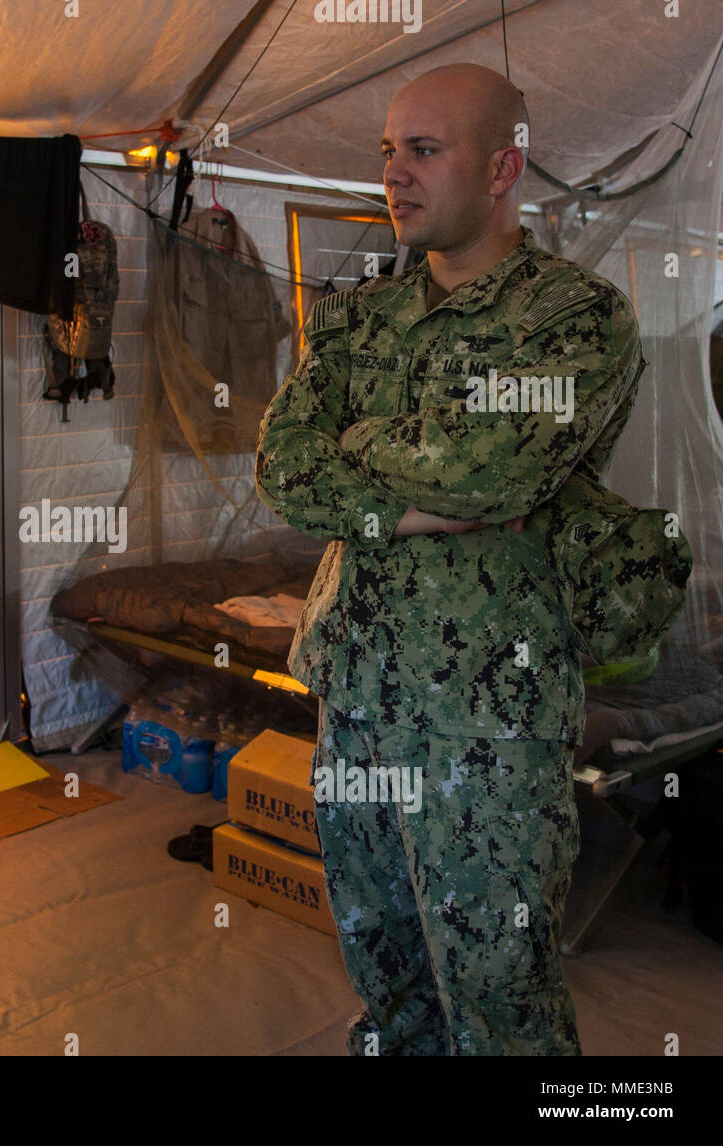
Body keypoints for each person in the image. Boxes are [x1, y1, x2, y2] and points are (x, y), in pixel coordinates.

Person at [255, 63, 646, 1055]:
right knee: (387, 990)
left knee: (498, 1004)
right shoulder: (357, 317)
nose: (394, 172)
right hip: (357, 701)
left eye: (422, 150)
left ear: (503, 166)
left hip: (489, 722)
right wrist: (422, 490)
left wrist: (371, 460)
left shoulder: (575, 315)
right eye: (387, 151)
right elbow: (285, 473)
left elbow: (491, 470)